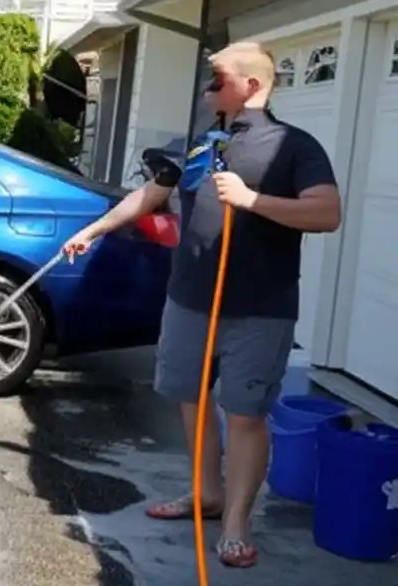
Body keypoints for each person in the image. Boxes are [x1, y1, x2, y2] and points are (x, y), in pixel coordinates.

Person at [63, 42, 342, 569]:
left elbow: (327, 212)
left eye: (217, 79)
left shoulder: (293, 145)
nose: (206, 88)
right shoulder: (202, 143)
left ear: (251, 86)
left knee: (244, 414)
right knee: (189, 399)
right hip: (189, 299)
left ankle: (236, 522)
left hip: (260, 308)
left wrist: (252, 200)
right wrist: (94, 229)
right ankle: (206, 494)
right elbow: (154, 193)